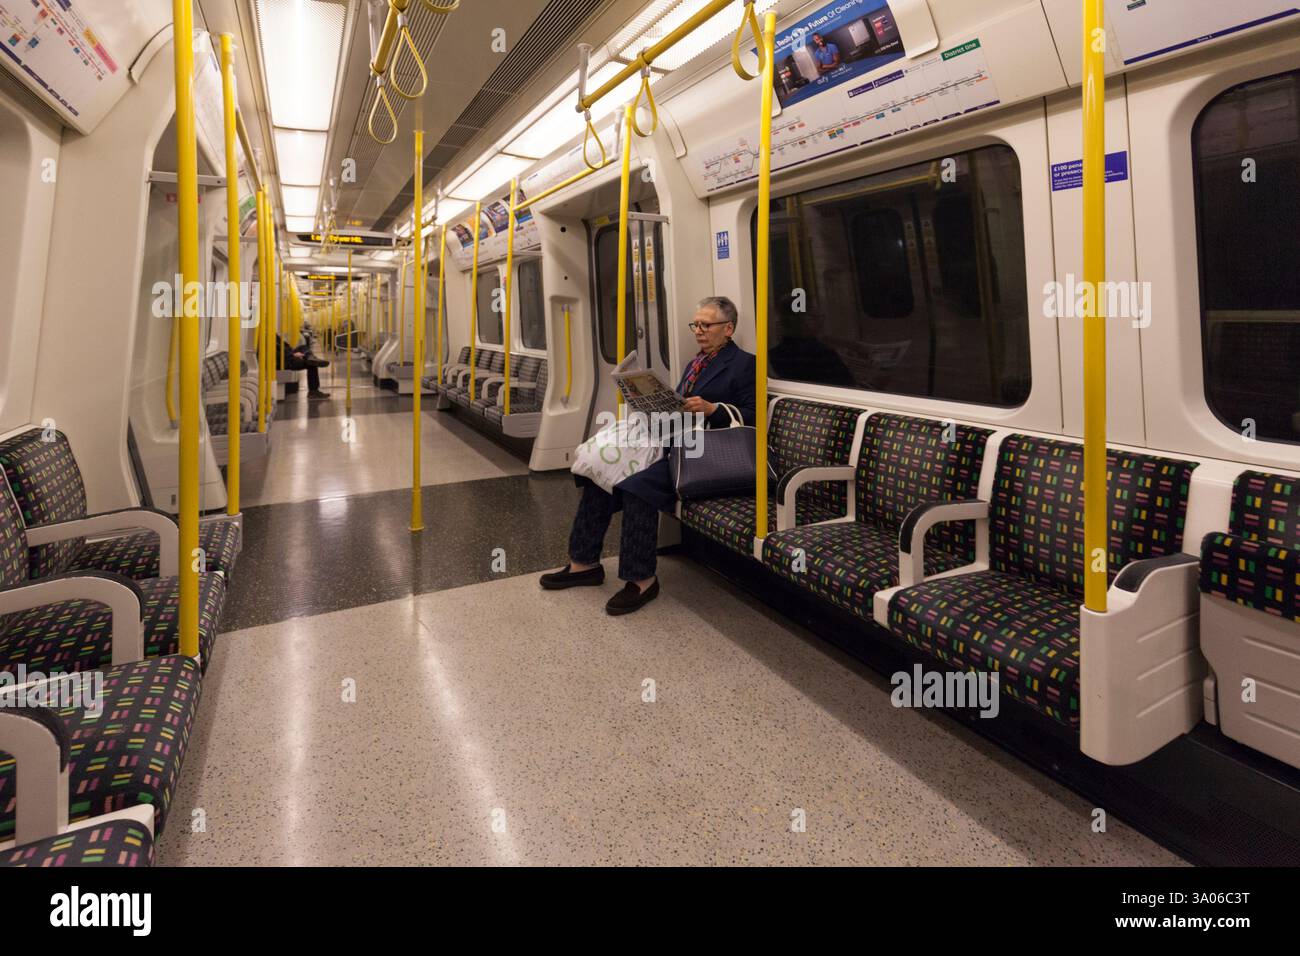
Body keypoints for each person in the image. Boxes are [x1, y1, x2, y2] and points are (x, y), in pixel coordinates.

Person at [541, 296, 756, 615]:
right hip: (675, 440)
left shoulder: (744, 363)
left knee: (636, 487)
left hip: (709, 455)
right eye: (695, 324)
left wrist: (714, 409)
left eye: (705, 325)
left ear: (728, 328)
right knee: (598, 476)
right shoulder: (696, 363)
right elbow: (683, 405)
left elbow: (753, 416)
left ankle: (642, 579)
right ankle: (583, 563)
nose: (698, 331)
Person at [276, 333, 331, 399]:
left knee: (303, 347)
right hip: (285, 361)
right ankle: (313, 392)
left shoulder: (272, 335)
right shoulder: (267, 337)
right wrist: (293, 355)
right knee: (311, 364)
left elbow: (285, 347)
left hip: (287, 355)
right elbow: (276, 353)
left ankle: (311, 358)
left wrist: (293, 352)